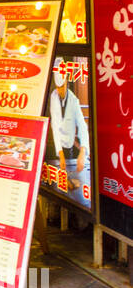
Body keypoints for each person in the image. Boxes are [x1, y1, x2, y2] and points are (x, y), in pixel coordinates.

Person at [48, 64, 90, 194]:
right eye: (58, 87)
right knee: (54, 183)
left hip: (69, 146)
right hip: (54, 144)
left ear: (67, 82)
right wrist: (59, 154)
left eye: (63, 86)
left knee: (68, 183)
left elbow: (83, 125)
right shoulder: (53, 96)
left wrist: (82, 152)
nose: (60, 91)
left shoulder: (74, 100)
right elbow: (55, 126)